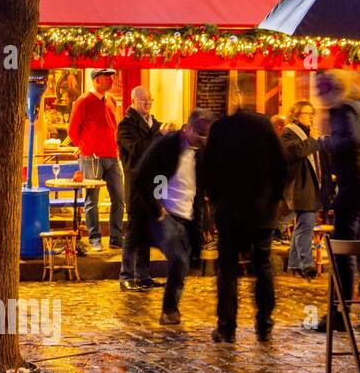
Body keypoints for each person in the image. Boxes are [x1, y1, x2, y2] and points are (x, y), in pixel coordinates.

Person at [203, 108, 289, 343]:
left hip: (230, 211)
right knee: (262, 266)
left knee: (228, 269)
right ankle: (264, 324)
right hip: (261, 211)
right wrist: (274, 198)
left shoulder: (221, 128)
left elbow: (207, 167)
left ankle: (226, 326)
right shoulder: (264, 126)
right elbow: (283, 165)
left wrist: (215, 198)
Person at [131, 109, 213, 320]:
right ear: (187, 128)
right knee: (178, 259)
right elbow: (141, 176)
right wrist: (157, 209)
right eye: (199, 135)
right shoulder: (166, 145)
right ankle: (169, 310)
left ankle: (171, 307)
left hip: (187, 215)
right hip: (164, 213)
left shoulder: (202, 153)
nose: (202, 140)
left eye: (206, 136)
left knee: (182, 263)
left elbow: (199, 188)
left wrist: (200, 221)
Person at [315, 72, 360, 332]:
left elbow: (351, 140)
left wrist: (325, 140)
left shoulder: (343, 110)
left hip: (353, 184)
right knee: (354, 248)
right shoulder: (357, 106)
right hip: (355, 183)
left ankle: (340, 312)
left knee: (343, 251)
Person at [68, 67, 124, 252]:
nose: (111, 80)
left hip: (111, 155)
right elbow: (72, 130)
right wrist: (85, 148)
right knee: (92, 199)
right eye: (107, 78)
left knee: (119, 197)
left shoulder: (110, 100)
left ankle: (116, 237)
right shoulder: (83, 101)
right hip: (91, 157)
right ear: (97, 79)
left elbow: (112, 126)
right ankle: (94, 238)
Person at [116, 86, 166, 286]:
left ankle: (143, 275)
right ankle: (126, 276)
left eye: (150, 100)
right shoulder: (126, 125)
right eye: (144, 100)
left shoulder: (154, 124)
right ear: (133, 101)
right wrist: (159, 136)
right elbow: (137, 150)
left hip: (152, 185)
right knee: (134, 230)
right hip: (136, 186)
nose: (148, 103)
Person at [281, 100, 323, 278]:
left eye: (313, 113)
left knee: (303, 225)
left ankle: (294, 264)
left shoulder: (308, 133)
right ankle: (306, 265)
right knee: (305, 225)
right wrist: (312, 139)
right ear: (296, 115)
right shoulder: (288, 132)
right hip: (300, 186)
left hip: (310, 185)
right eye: (307, 113)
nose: (311, 117)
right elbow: (296, 153)